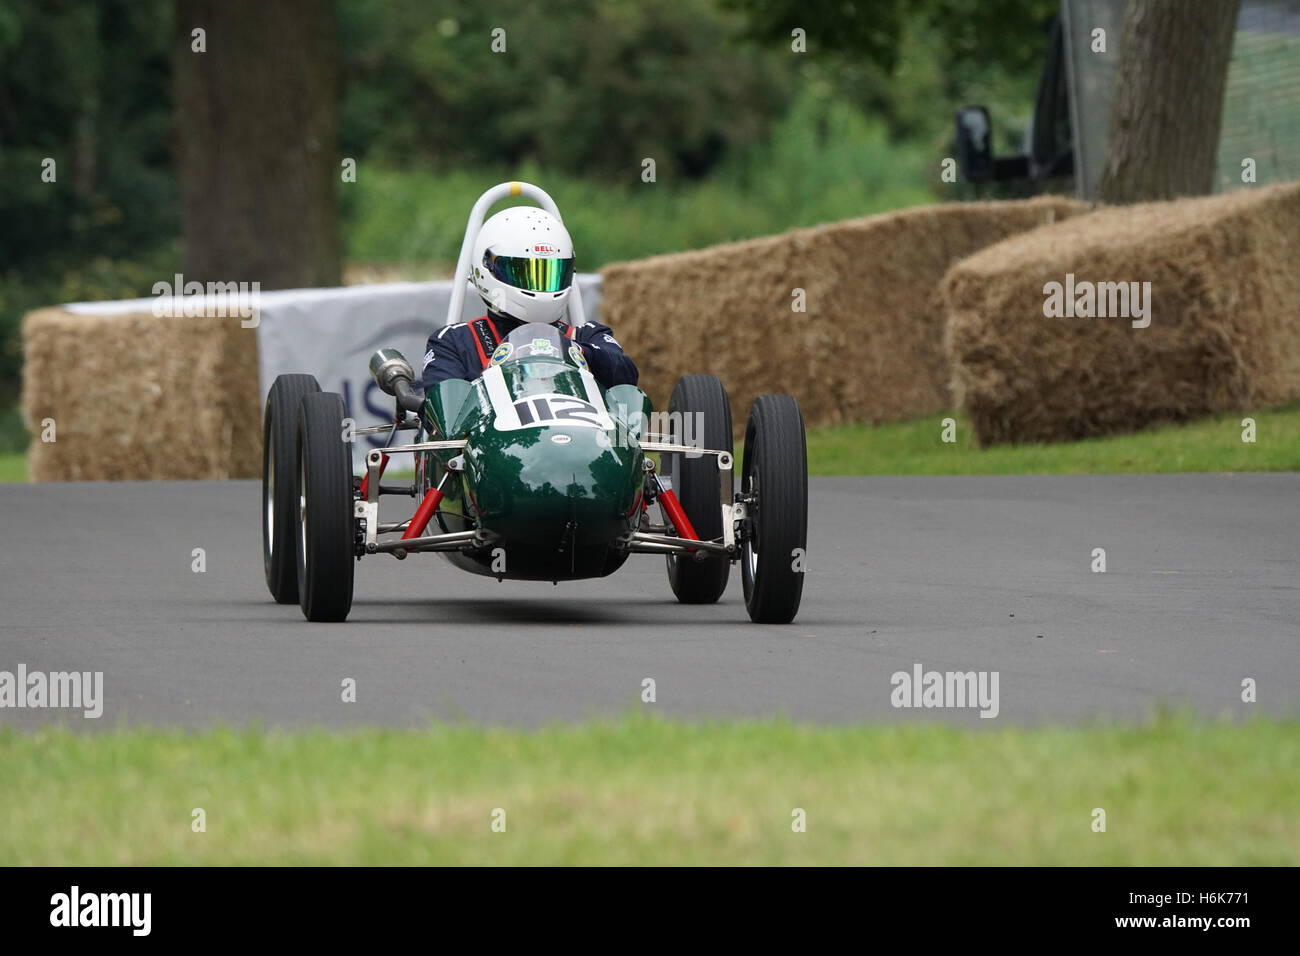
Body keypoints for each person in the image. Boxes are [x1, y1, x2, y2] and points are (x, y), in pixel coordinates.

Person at [421, 206, 638, 391]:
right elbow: (444, 416)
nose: (540, 288)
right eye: (525, 273)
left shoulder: (588, 336)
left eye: (550, 274)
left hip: (580, 438)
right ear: (487, 268)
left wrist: (577, 352)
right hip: (498, 439)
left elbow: (626, 380)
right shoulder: (453, 342)